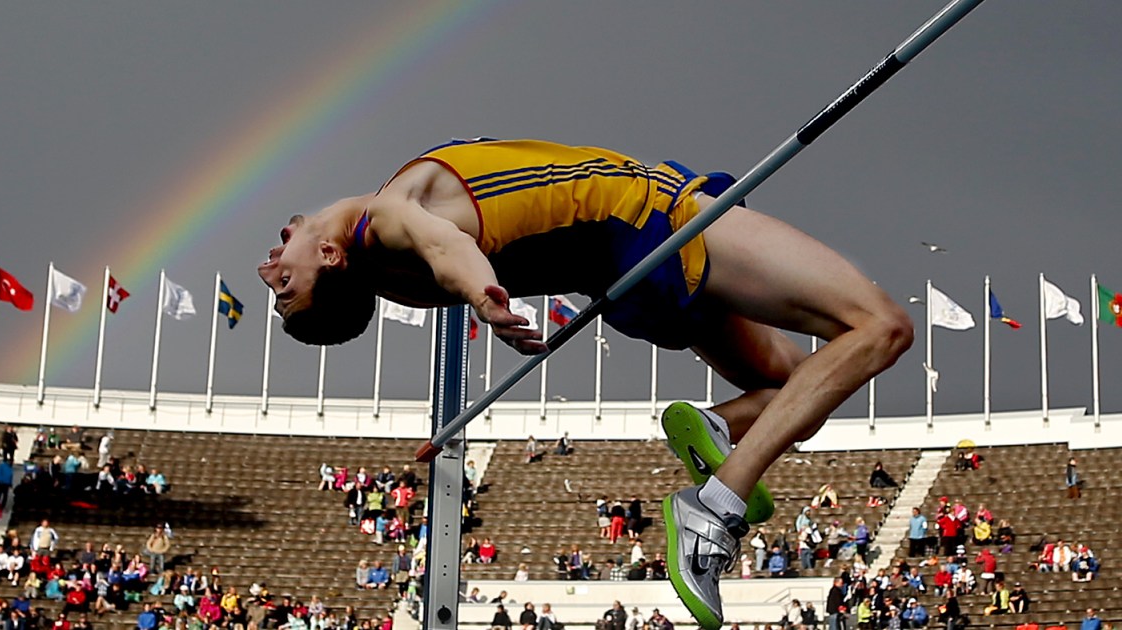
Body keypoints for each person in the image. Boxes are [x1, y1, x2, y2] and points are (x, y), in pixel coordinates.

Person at [258, 138, 914, 630]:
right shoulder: (387, 218)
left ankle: (721, 425)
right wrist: (484, 297)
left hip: (628, 283)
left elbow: (448, 246)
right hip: (653, 223)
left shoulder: (390, 274)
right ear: (328, 256)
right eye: (285, 283)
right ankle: (715, 508)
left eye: (274, 282)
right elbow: (442, 244)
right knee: (879, 328)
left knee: (801, 392)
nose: (268, 269)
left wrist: (475, 285)